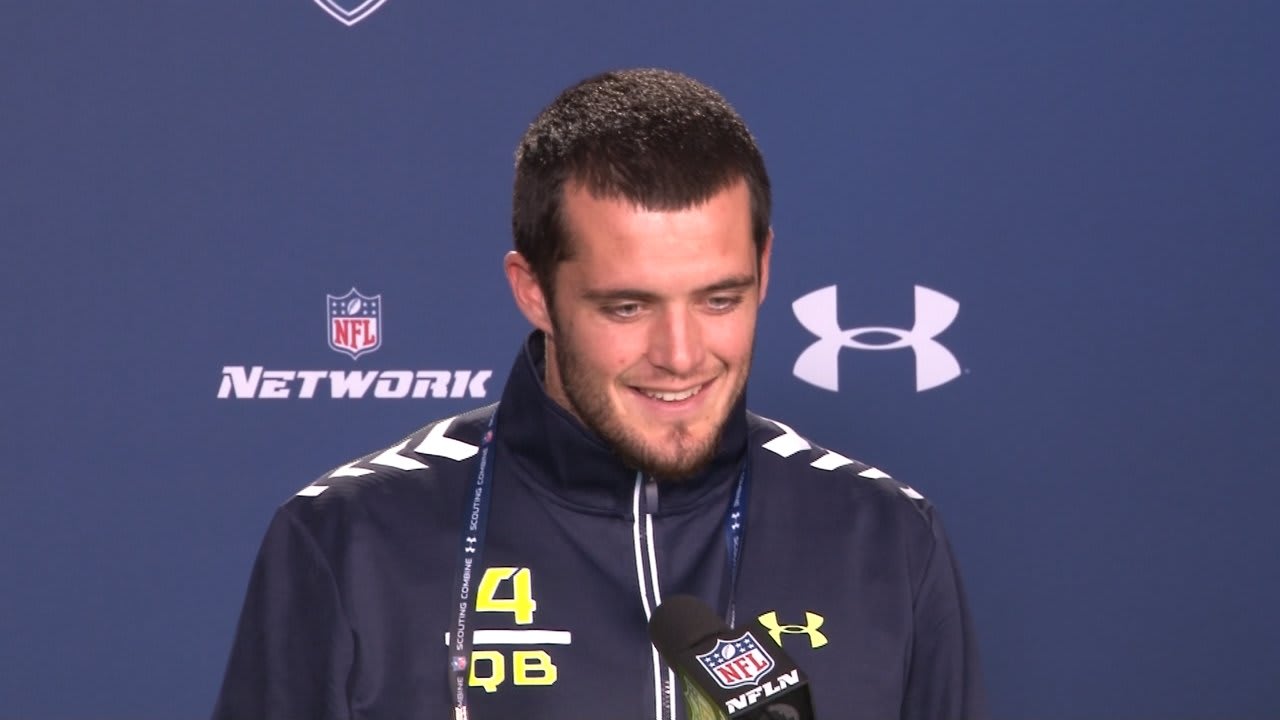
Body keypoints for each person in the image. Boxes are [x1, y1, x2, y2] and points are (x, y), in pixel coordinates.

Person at [212, 68, 987, 720]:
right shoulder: (350, 542)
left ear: (766, 268)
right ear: (534, 292)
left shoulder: (886, 538)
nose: (681, 356)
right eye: (628, 306)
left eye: (720, 299)